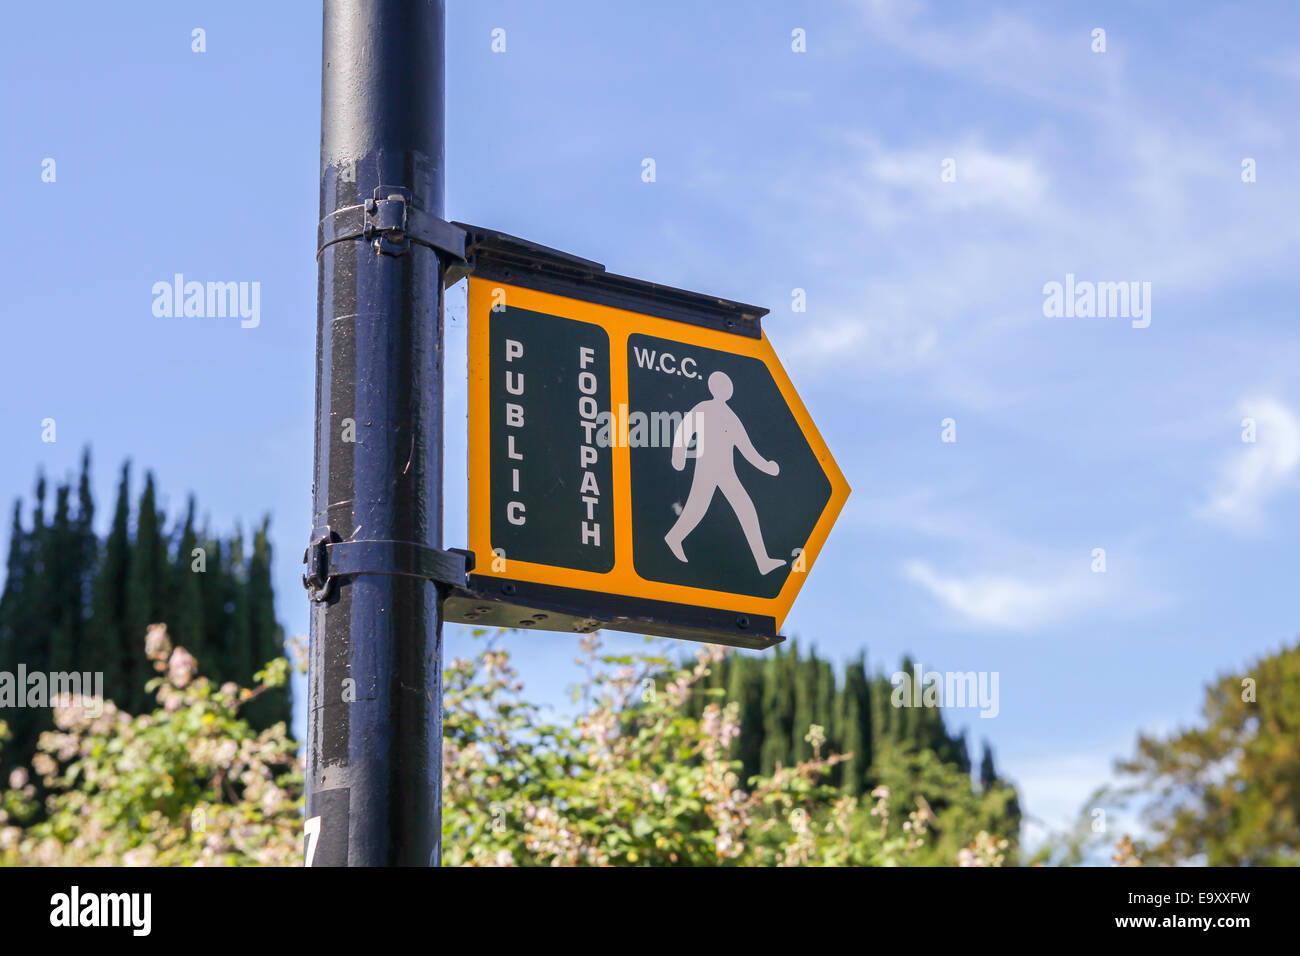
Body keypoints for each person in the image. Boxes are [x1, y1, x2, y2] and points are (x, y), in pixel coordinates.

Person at [664, 371, 786, 575]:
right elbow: (685, 430)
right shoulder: (704, 408)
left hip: (726, 471)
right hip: (707, 467)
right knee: (697, 508)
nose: (726, 389)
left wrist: (767, 467)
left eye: (728, 385)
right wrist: (679, 456)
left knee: (745, 508)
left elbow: (747, 449)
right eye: (722, 385)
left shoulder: (732, 417)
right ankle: (674, 537)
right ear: (713, 388)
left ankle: (763, 561)